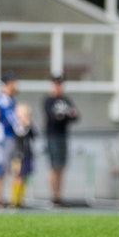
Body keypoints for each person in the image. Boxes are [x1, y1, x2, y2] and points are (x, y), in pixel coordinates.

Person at [42, 74, 80, 207]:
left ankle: (59, 195)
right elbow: (52, 117)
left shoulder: (65, 99)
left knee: (61, 166)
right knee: (54, 165)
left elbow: (75, 116)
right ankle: (54, 196)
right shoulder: (48, 100)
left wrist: (63, 116)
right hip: (52, 135)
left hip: (63, 135)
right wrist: (65, 115)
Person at [0, 71, 19, 207]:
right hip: (5, 137)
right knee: (2, 168)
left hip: (8, 136)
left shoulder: (9, 98)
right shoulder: (2, 98)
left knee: (6, 169)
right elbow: (10, 118)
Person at [8, 102, 37, 208]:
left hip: (27, 153)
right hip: (18, 154)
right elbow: (20, 134)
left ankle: (21, 200)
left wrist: (29, 125)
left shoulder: (29, 125)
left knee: (24, 176)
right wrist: (24, 124)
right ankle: (14, 201)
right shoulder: (16, 125)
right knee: (17, 176)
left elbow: (34, 135)